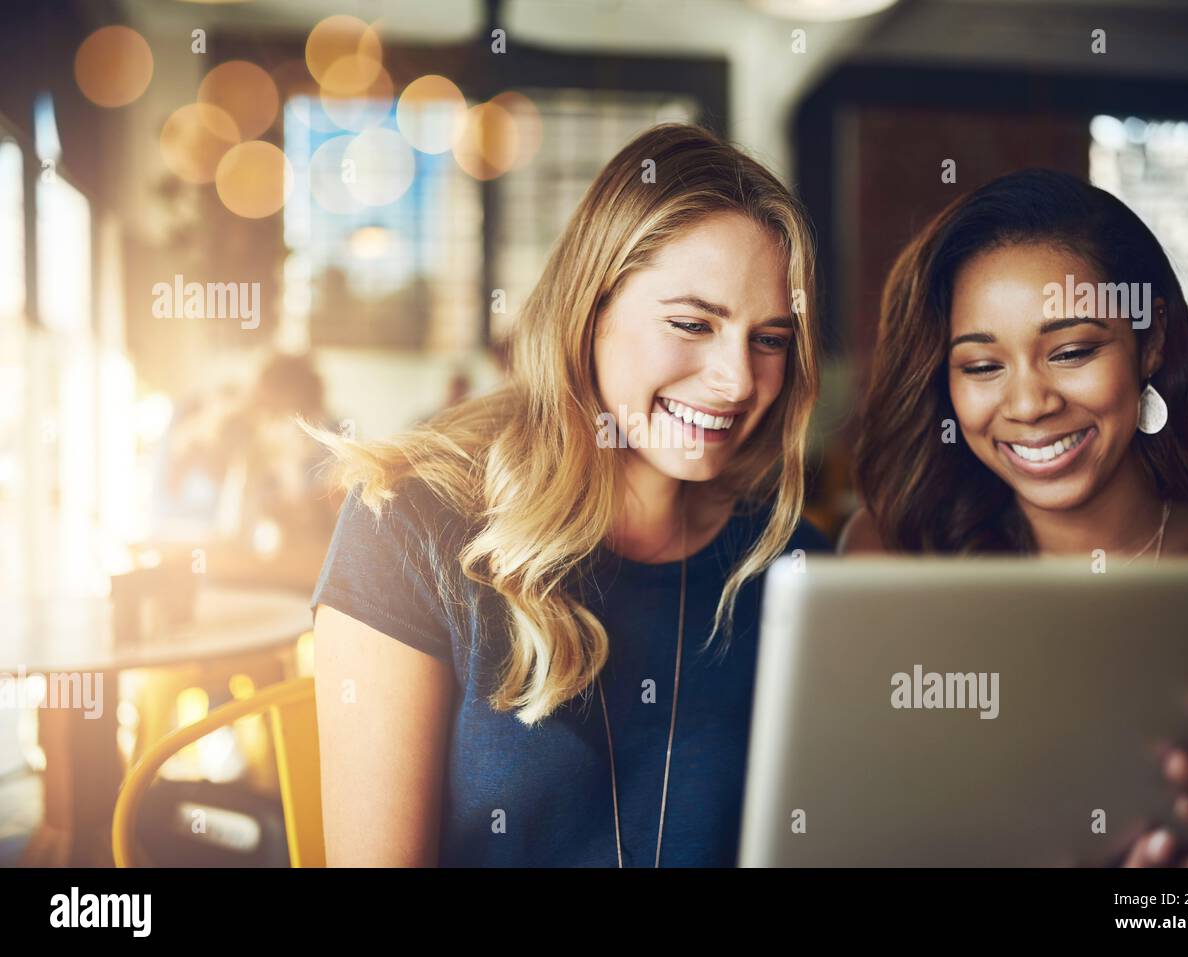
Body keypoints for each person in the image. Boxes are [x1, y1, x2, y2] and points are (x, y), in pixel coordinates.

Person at [305, 123, 830, 867]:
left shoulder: (793, 563)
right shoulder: (411, 525)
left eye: (770, 338)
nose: (738, 379)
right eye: (691, 323)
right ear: (592, 311)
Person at [841, 168, 1188, 866]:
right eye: (982, 365)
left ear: (1150, 345)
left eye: (1073, 351)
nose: (1028, 403)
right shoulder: (887, 557)